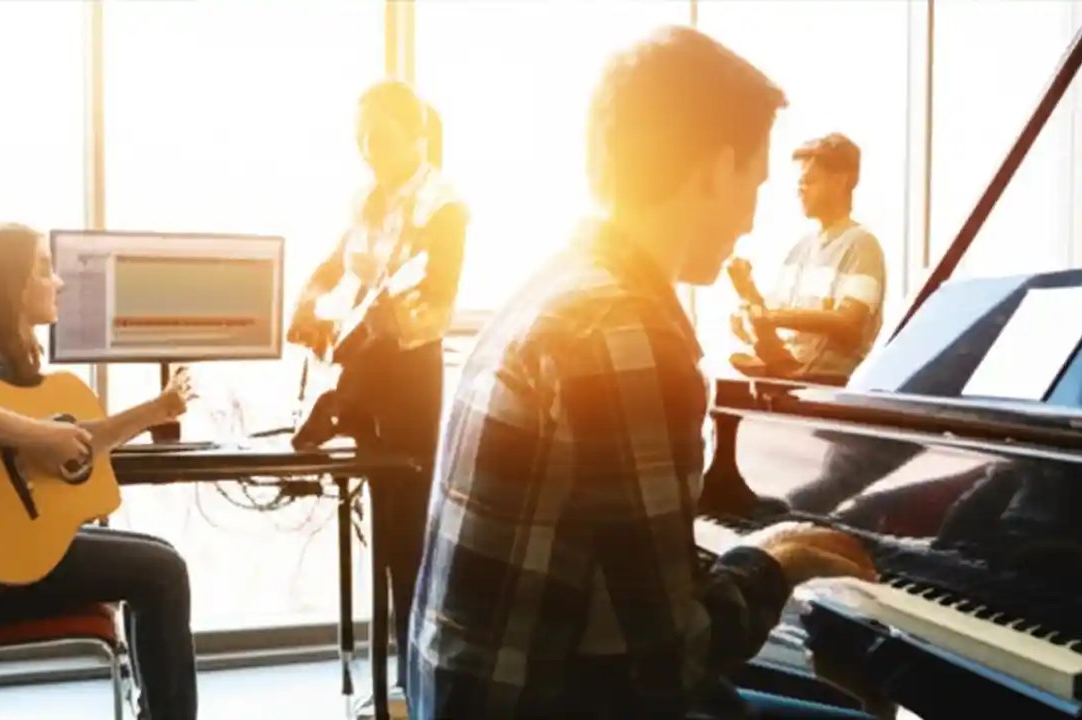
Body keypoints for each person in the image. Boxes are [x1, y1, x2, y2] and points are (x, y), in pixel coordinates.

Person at [408, 27, 884, 720]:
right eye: (753, 181)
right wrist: (775, 560)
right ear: (715, 168)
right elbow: (672, 662)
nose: (751, 219)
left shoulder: (555, 288)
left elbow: (618, 588)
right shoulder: (629, 331)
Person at [0, 222, 197, 720]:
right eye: (43, 269)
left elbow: (70, 446)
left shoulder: (4, 367)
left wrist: (154, 412)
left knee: (162, 559)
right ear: (8, 284)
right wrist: (36, 436)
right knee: (164, 573)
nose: (58, 282)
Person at [287, 79, 468, 689]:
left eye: (380, 138)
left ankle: (417, 676)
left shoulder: (443, 205)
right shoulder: (368, 199)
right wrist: (309, 303)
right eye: (361, 139)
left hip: (409, 367)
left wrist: (384, 316)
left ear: (417, 135)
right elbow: (337, 264)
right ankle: (396, 674)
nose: (368, 150)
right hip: (363, 357)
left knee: (407, 526)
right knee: (384, 524)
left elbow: (435, 292)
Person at [731, 132, 886, 381]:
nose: (800, 190)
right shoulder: (799, 251)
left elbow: (849, 324)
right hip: (790, 389)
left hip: (829, 397)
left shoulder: (861, 245)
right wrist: (748, 298)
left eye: (809, 181)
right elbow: (775, 321)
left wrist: (772, 317)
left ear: (840, 182)